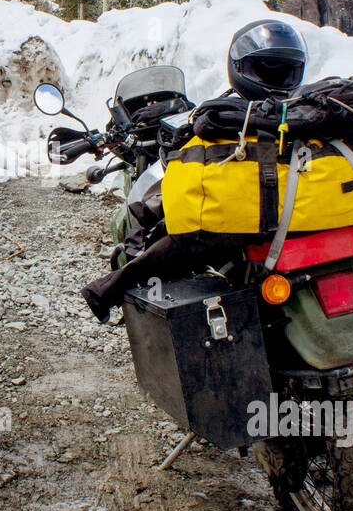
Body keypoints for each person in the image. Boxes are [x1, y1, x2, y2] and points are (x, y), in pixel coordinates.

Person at [81, 20, 308, 322]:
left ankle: (122, 294)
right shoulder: (298, 112)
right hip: (295, 213)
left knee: (161, 228)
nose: (272, 72)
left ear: (237, 67)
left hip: (253, 227)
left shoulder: (228, 120)